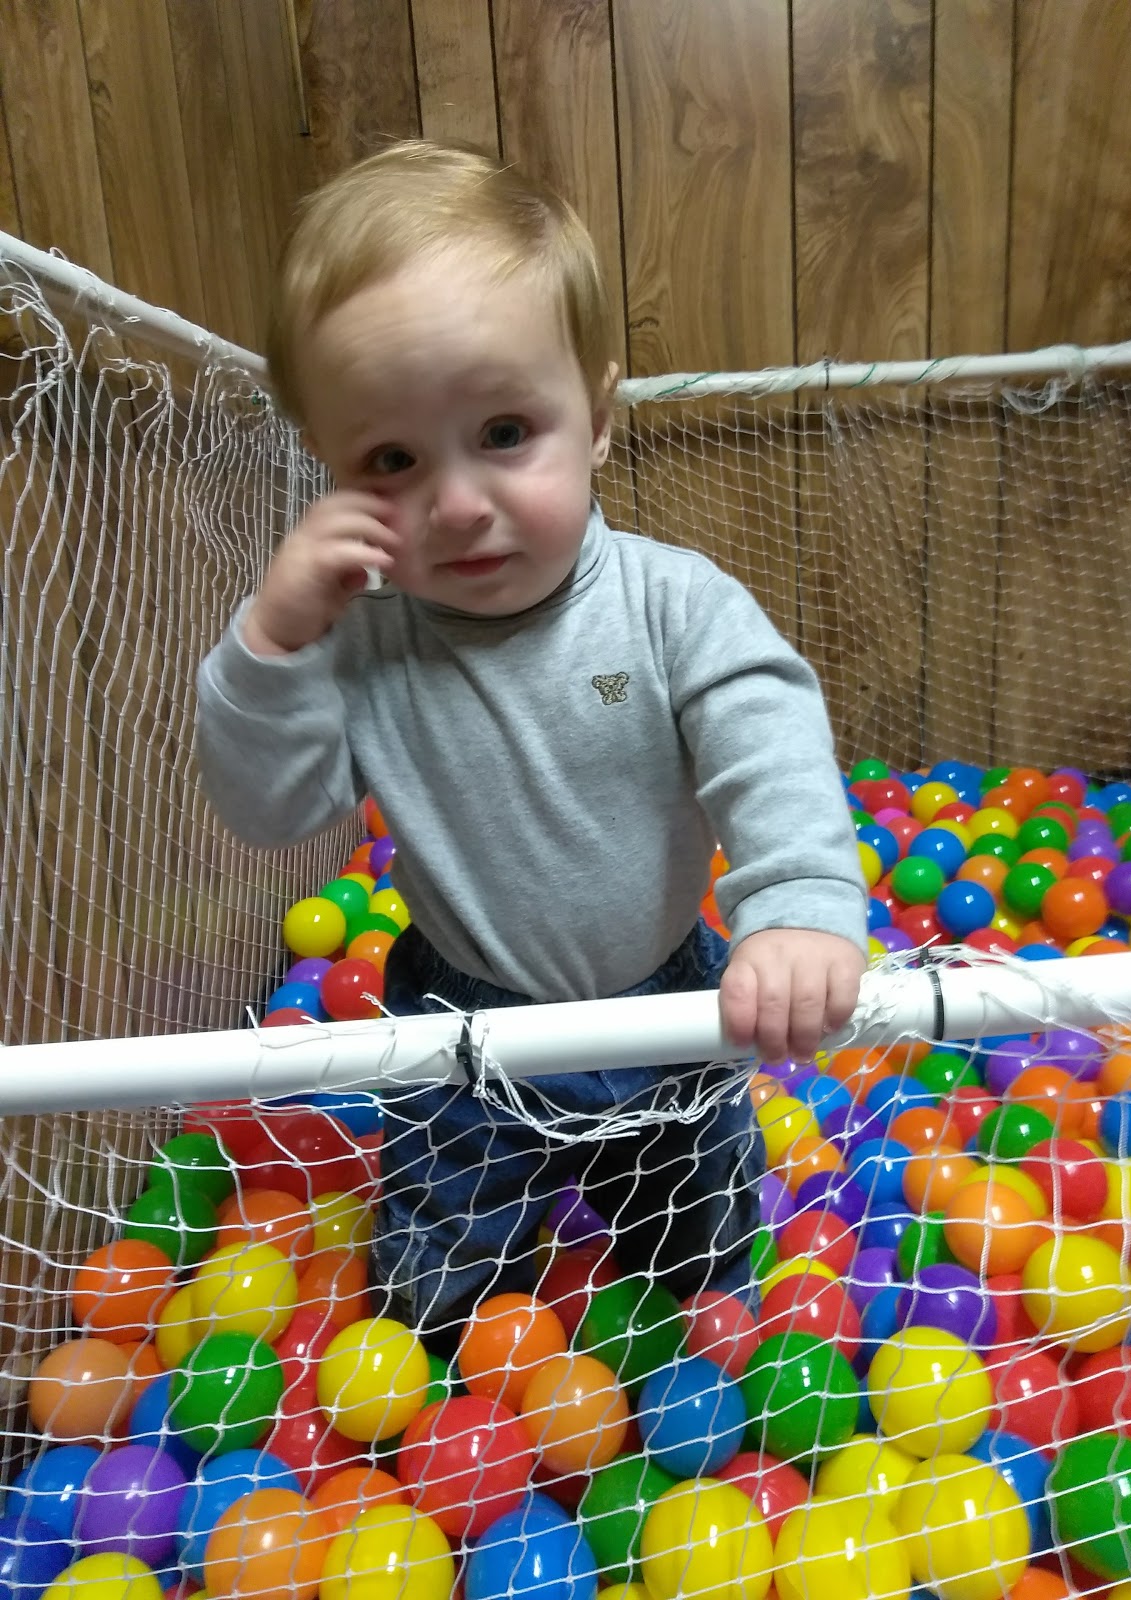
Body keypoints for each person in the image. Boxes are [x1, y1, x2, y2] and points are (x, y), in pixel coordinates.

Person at [196, 139, 867, 1359]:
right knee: (436, 1286)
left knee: (705, 1260)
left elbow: (766, 738)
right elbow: (271, 807)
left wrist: (798, 905)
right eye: (391, 462)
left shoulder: (672, 607)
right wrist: (274, 642)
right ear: (328, 469)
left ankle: (696, 1304)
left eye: (505, 431)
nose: (457, 503)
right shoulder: (362, 640)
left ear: (597, 419)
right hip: (462, 1026)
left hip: (669, 1006)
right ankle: (440, 1359)